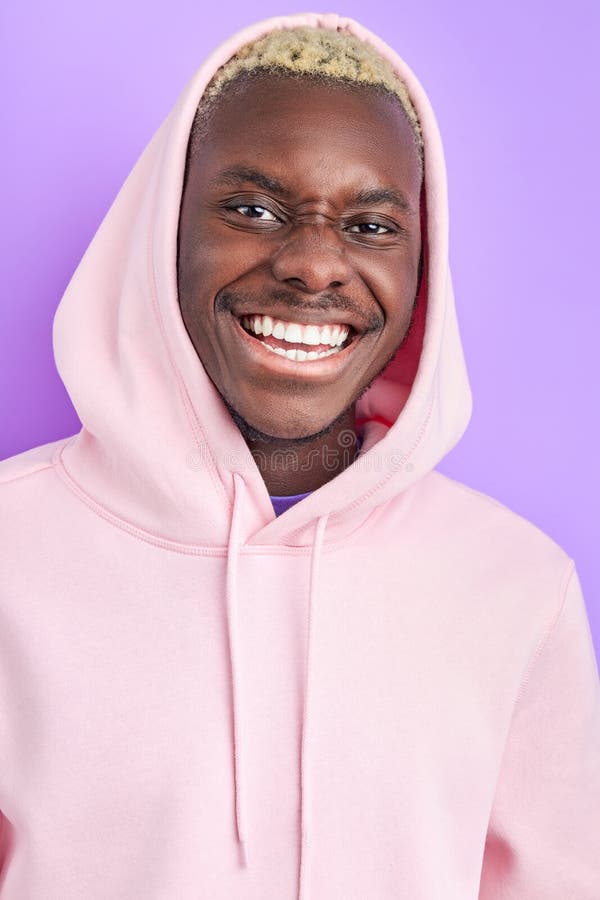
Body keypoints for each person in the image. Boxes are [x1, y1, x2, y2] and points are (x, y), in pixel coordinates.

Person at [0, 12, 598, 899]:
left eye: (370, 225)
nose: (316, 265)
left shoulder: (517, 586)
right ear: (162, 230)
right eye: (252, 209)